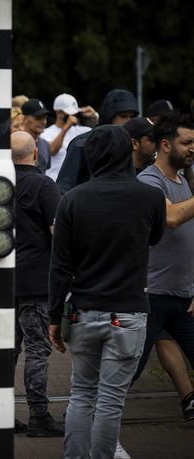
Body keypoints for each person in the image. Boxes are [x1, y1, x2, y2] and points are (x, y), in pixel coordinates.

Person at [48, 125, 165, 458]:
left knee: (81, 393)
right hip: (128, 311)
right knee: (111, 399)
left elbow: (60, 267)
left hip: (82, 311)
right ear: (127, 151)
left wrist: (55, 316)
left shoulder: (72, 199)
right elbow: (154, 238)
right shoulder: (150, 196)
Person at [130, 113, 194, 422]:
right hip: (152, 295)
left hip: (182, 294)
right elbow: (171, 218)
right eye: (187, 142)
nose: (193, 148)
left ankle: (189, 400)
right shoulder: (149, 181)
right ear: (166, 146)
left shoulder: (182, 181)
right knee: (128, 369)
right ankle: (89, 417)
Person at [10, 131, 64, 437]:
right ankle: (39, 415)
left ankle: (0, 412)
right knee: (37, 349)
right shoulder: (44, 184)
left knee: (7, 350)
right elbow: (58, 231)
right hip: (36, 280)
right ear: (34, 155)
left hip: (1, 281)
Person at [55, 89, 138, 193]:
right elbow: (64, 186)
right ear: (110, 115)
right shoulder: (82, 143)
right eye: (123, 116)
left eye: (132, 117)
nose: (128, 121)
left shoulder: (134, 143)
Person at [40, 93, 96, 182]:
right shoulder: (46, 133)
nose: (73, 115)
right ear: (58, 112)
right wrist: (66, 128)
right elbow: (52, 151)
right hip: (54, 181)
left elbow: (101, 134)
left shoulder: (83, 130)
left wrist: (95, 117)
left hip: (75, 183)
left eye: (74, 112)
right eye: (69, 113)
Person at [20, 98, 52, 175]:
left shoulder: (45, 144)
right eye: (38, 118)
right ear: (24, 118)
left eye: (45, 117)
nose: (43, 122)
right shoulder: (15, 144)